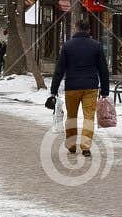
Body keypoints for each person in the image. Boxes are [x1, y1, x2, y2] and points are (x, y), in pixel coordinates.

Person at [46, 18, 110, 157]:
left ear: (75, 28)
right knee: (89, 117)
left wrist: (53, 90)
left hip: (72, 87)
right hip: (91, 87)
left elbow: (59, 69)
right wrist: (105, 90)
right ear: (88, 30)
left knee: (71, 116)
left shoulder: (67, 46)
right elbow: (103, 70)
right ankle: (86, 146)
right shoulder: (96, 46)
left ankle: (71, 144)